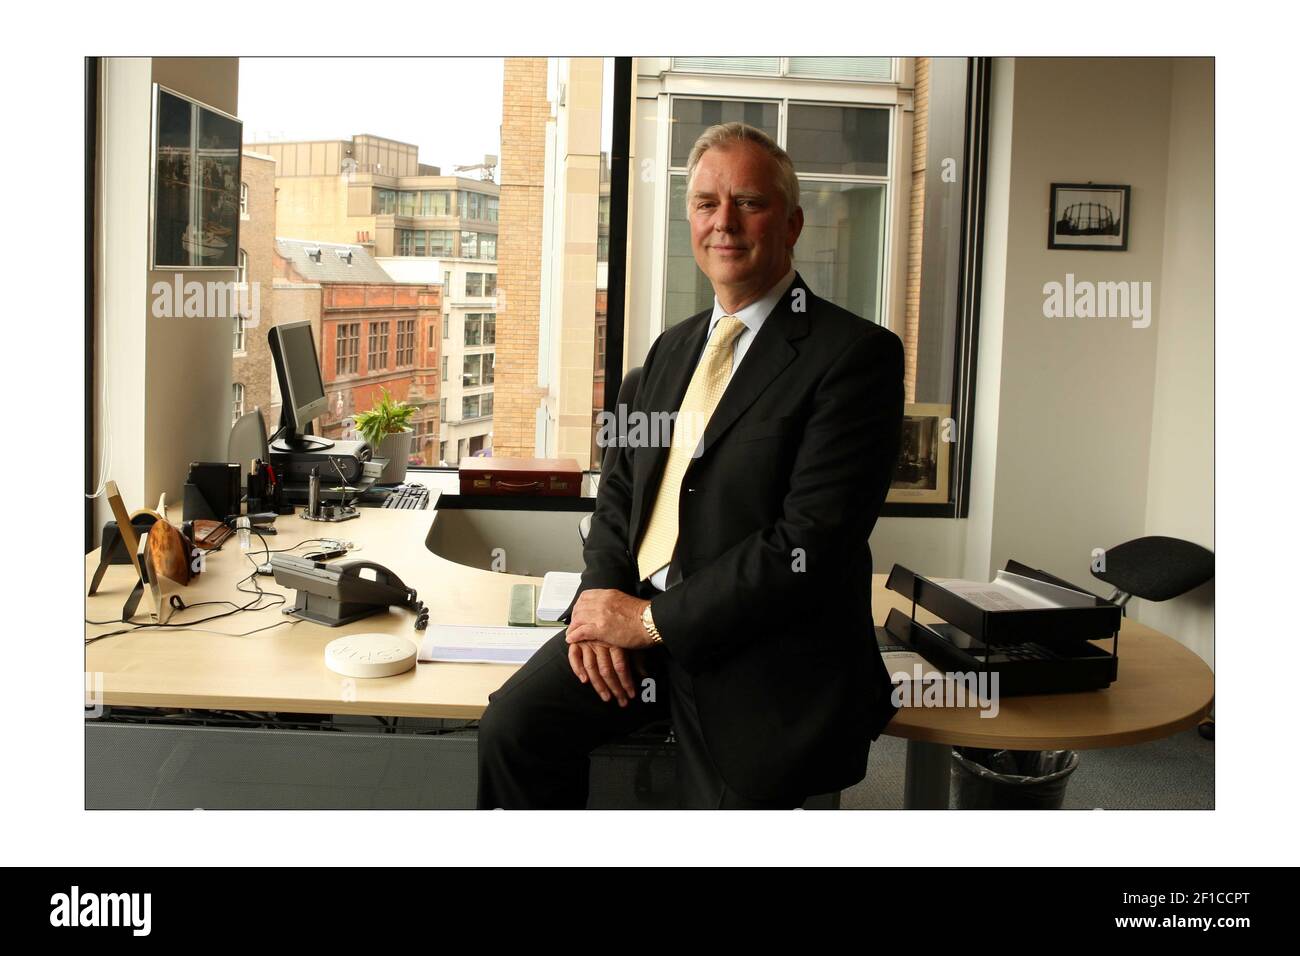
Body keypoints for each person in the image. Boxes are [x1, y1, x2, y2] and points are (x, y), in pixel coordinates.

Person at [477, 122, 904, 809]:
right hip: (638, 629)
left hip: (760, 646)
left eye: (749, 203)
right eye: (706, 204)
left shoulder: (855, 358)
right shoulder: (669, 354)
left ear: (791, 224)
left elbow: (810, 544)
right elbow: (620, 494)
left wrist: (650, 622)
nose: (724, 223)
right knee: (513, 730)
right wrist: (598, 602)